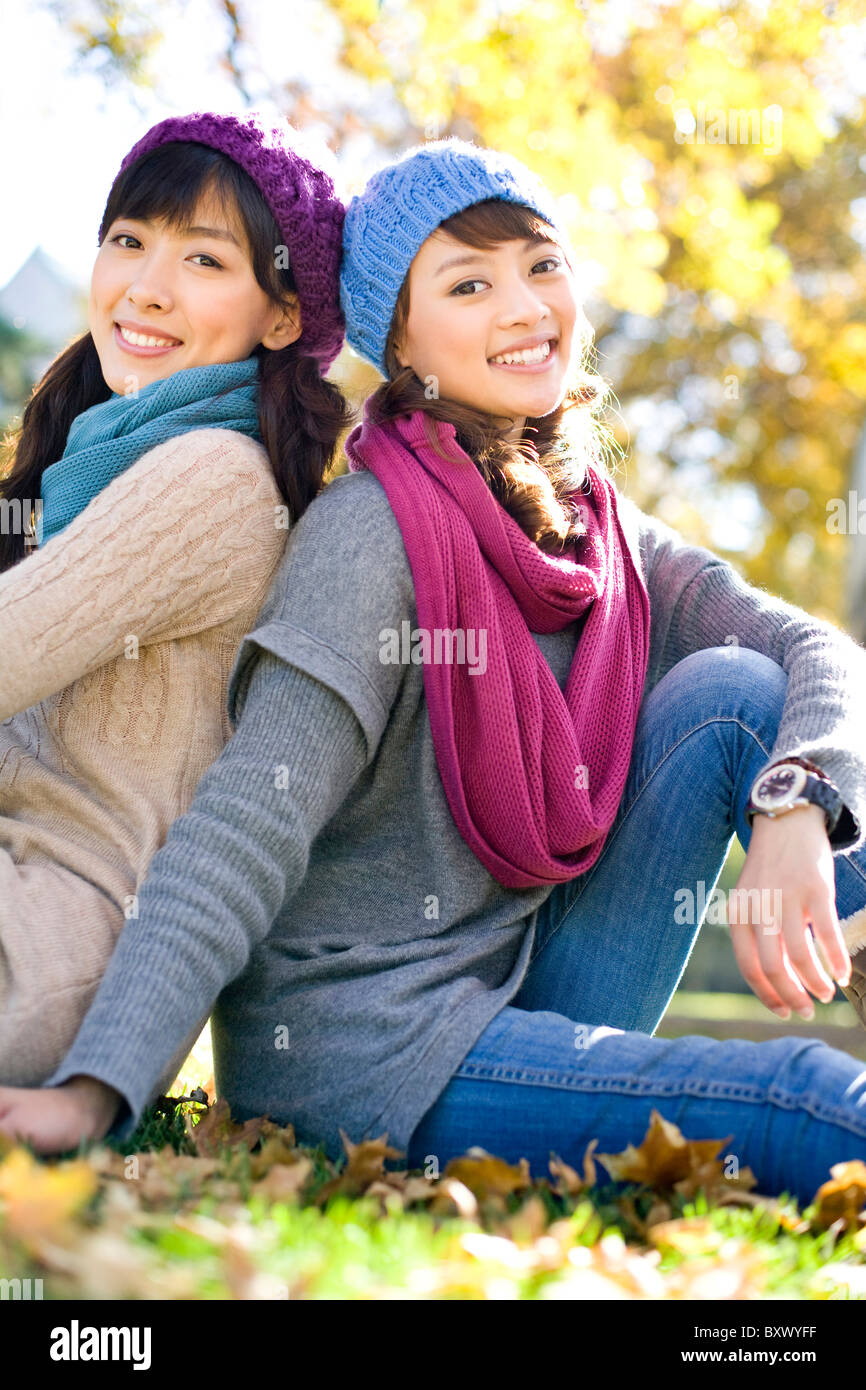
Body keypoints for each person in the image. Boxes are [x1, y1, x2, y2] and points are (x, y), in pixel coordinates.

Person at [3, 139, 866, 1206]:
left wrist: (795, 806)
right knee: (802, 1098)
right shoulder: (368, 535)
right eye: (468, 283)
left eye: (540, 266)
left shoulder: (596, 524)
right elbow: (244, 821)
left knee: (734, 695)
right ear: (402, 344)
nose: (522, 307)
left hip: (520, 979)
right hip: (367, 1054)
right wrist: (98, 1087)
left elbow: (819, 651)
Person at [0, 110, 350, 1088]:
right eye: (128, 241)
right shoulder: (98, 455)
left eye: (202, 260)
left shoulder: (214, 475)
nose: (145, 288)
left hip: (46, 947)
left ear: (280, 315)